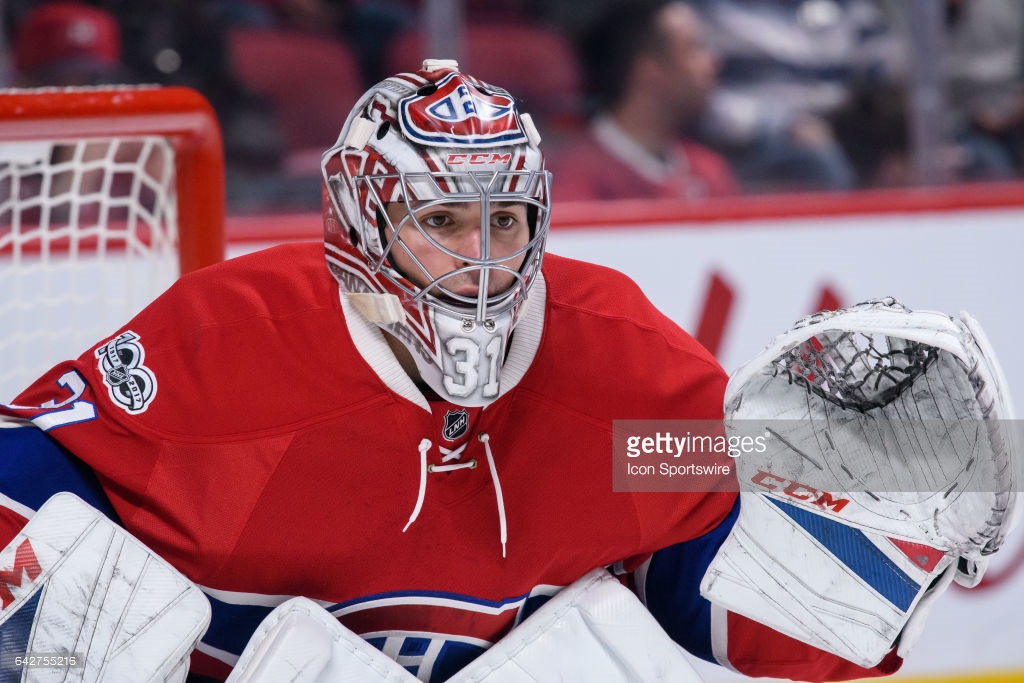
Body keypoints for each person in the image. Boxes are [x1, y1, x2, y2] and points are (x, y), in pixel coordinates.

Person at [0, 60, 963, 681]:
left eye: (504, 222)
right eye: (443, 222)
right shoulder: (229, 343)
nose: (482, 261)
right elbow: (21, 473)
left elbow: (686, 523)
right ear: (366, 224)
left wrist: (854, 564)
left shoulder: (613, 354)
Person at [547, 0, 739, 202]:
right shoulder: (574, 178)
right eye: (694, 47)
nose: (713, 61)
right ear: (651, 70)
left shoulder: (710, 171)